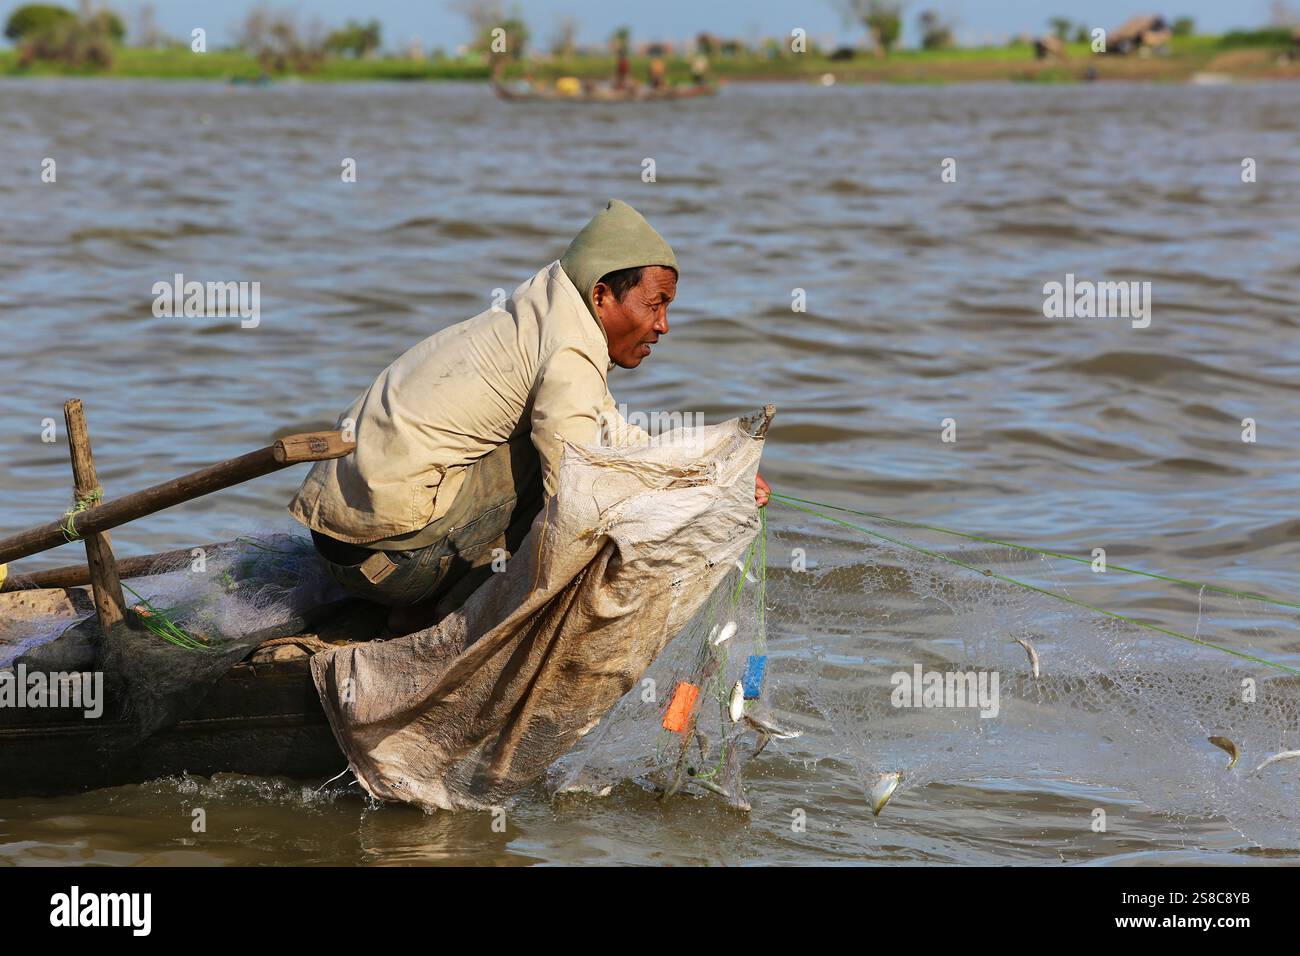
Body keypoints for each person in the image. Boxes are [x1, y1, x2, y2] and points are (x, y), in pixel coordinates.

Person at [289, 200, 770, 634]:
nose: (663, 325)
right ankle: (446, 616)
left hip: (337, 545)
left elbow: (612, 433)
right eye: (654, 305)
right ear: (602, 295)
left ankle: (421, 608)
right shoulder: (569, 348)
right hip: (393, 563)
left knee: (574, 449)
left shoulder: (545, 315)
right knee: (570, 471)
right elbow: (576, 488)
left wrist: (711, 476)